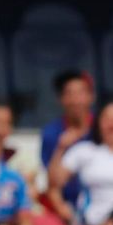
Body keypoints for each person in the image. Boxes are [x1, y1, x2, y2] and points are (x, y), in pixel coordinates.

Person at [40, 69, 94, 214]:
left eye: (80, 93)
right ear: (61, 99)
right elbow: (52, 184)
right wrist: (61, 147)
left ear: (91, 97)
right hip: (65, 206)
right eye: (69, 94)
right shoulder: (51, 133)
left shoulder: (102, 128)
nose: (75, 100)